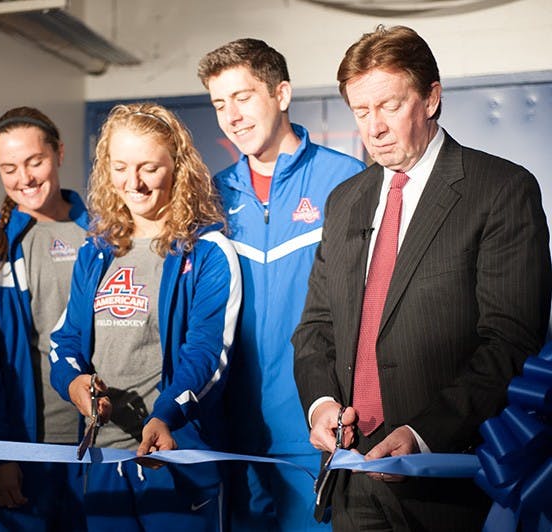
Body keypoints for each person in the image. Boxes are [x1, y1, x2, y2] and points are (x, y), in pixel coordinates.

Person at [292, 25, 551, 531]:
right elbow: (315, 328)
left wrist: (425, 432)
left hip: (448, 479)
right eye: (360, 112)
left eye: (389, 106)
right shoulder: (345, 201)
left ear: (431, 98)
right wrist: (321, 404)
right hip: (352, 473)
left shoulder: (501, 189)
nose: (374, 129)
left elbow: (510, 340)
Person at [197, 38, 365, 530]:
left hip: (315, 430)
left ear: (282, 94)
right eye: (219, 104)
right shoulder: (211, 196)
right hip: (230, 433)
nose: (232, 115)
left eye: (243, 97)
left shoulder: (346, 181)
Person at [48, 102, 241, 531]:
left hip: (174, 456)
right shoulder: (96, 249)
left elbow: (207, 354)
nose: (132, 183)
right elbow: (66, 342)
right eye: (120, 167)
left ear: (178, 167)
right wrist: (74, 383)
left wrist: (167, 415)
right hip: (104, 459)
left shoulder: (208, 252)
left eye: (149, 168)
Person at [0, 106, 89, 531]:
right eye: (9, 167)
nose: (25, 178)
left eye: (35, 161)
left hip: (102, 446)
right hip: (25, 449)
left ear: (59, 153)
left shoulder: (108, 231)